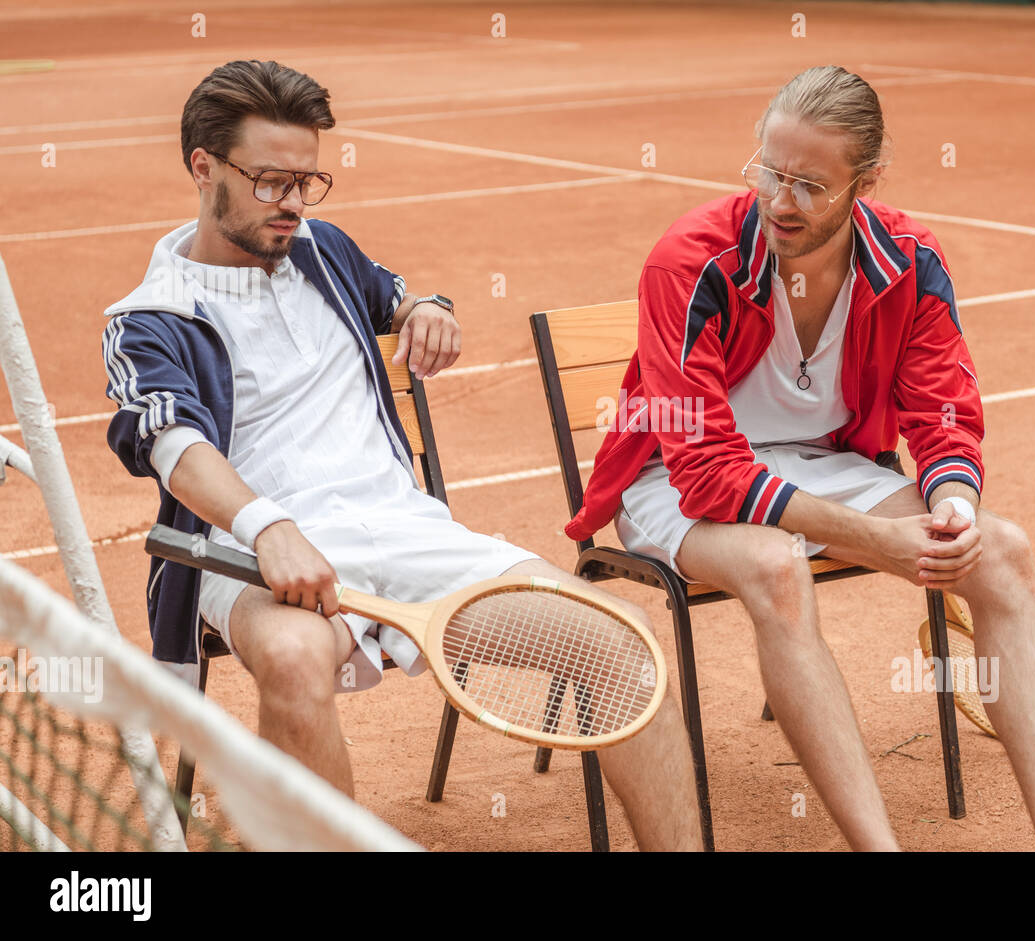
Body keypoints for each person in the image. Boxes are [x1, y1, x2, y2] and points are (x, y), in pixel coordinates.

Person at [102, 59, 702, 851]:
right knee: (291, 657)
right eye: (271, 181)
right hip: (249, 553)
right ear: (203, 166)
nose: (291, 204)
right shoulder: (147, 319)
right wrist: (269, 526)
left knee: (620, 638)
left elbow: (398, 294)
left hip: (407, 532)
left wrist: (429, 310)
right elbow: (172, 445)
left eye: (307, 182)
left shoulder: (322, 249)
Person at [566, 65, 1035, 851]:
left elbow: (943, 410)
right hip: (675, 481)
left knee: (1004, 554)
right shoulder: (688, 260)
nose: (781, 202)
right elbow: (707, 470)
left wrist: (953, 504)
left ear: (866, 181)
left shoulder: (909, 259)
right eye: (769, 174)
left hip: (819, 464)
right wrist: (877, 535)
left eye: (810, 185)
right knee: (778, 568)